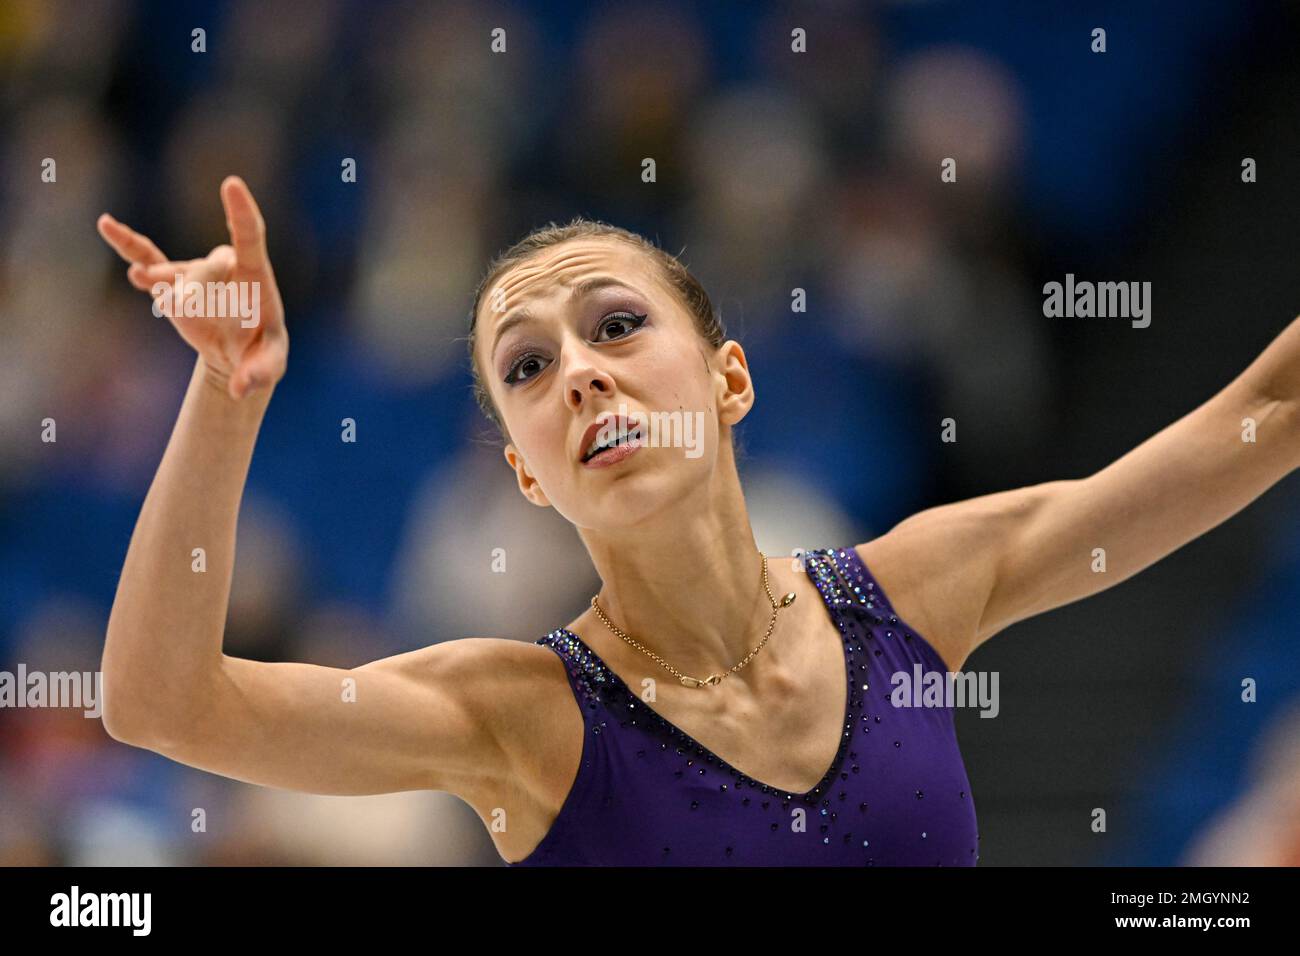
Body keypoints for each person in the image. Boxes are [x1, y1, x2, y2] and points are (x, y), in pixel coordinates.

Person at [97, 176, 1300, 866]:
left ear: (729, 380)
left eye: (616, 325)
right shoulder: (517, 718)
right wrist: (228, 387)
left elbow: (1268, 410)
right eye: (526, 367)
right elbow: (162, 701)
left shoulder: (913, 594)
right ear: (525, 471)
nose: (577, 373)